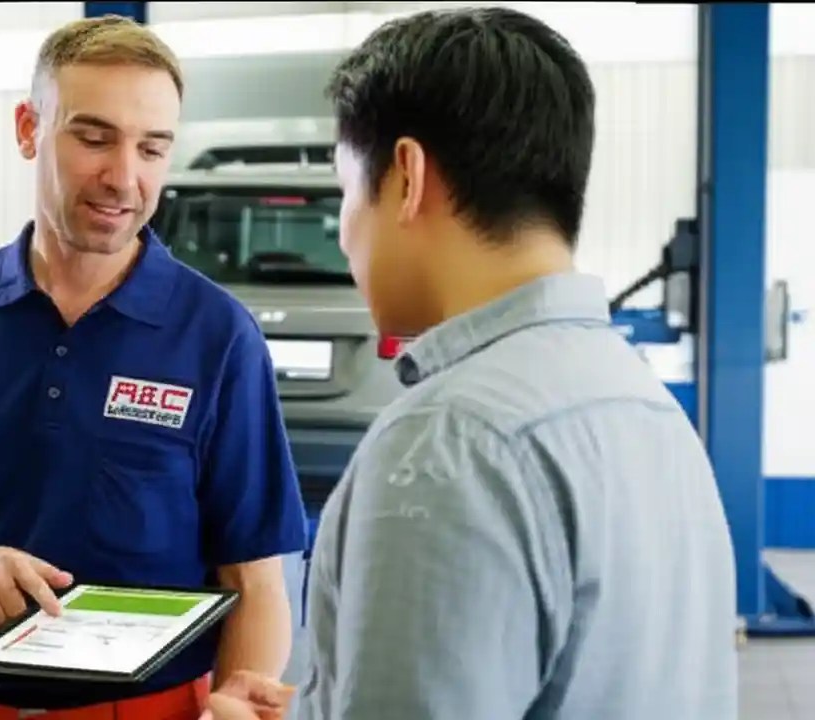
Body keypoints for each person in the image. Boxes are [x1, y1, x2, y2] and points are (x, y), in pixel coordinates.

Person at [207, 7, 739, 720]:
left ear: (406, 176)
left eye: (346, 192)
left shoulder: (449, 442)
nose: (346, 237)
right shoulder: (643, 405)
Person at [0, 14, 308, 720]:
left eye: (152, 148)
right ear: (29, 129)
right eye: (93, 139)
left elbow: (255, 578)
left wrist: (238, 695)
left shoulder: (216, 335)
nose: (124, 178)